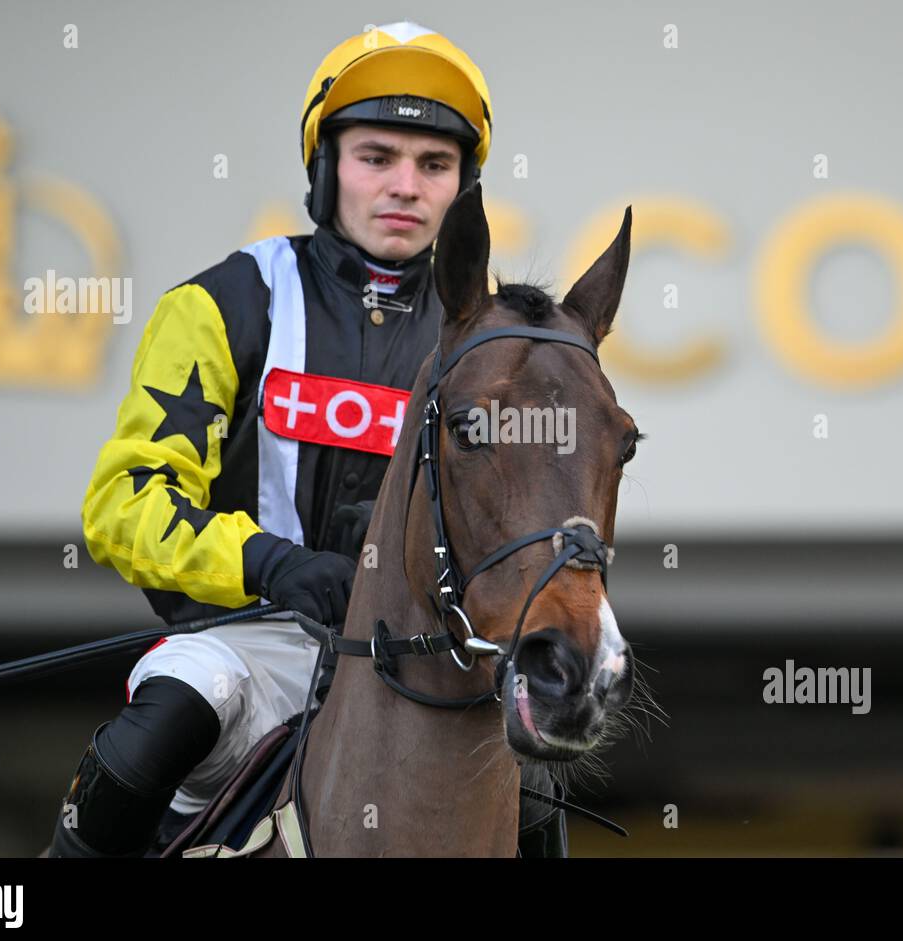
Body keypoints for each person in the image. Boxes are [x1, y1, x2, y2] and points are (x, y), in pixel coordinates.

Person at [48, 21, 567, 858]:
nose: (405, 185)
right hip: (257, 644)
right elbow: (123, 506)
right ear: (326, 170)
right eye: (376, 157)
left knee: (536, 785)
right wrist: (273, 565)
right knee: (173, 709)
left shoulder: (499, 346)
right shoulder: (224, 303)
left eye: (434, 165)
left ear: (463, 188)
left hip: (431, 654)